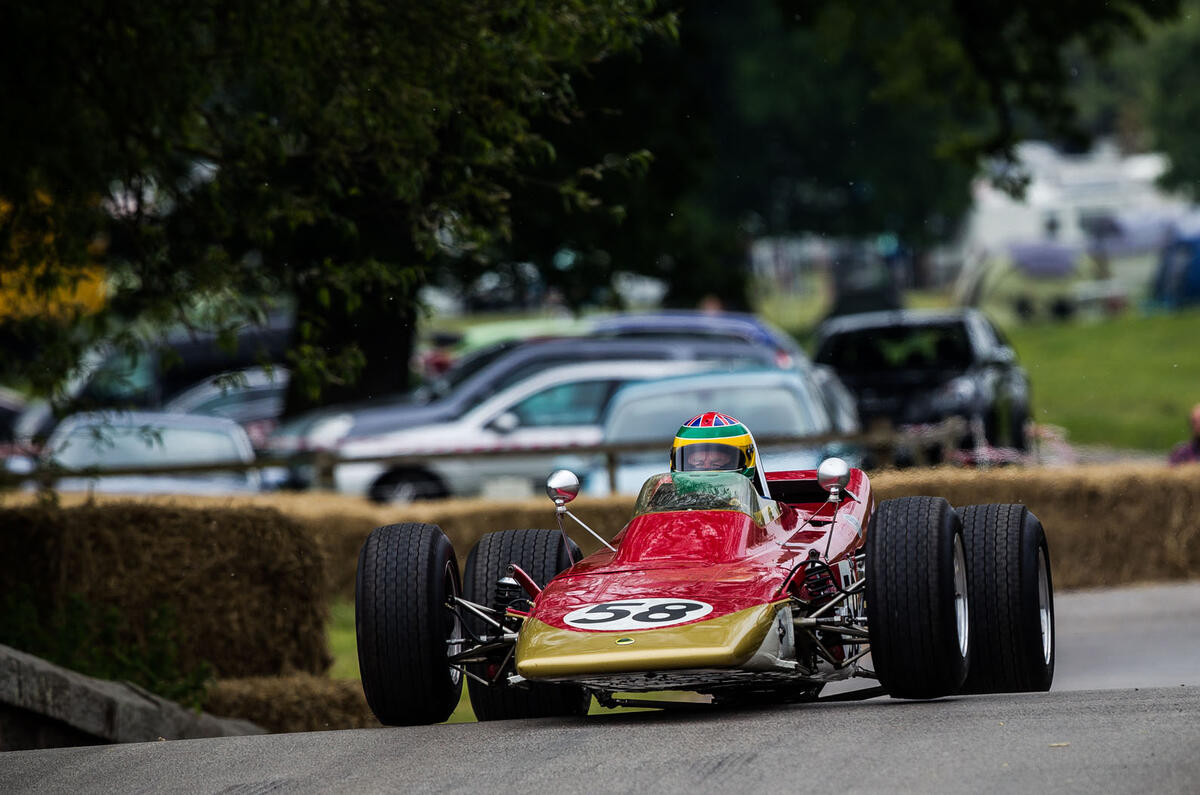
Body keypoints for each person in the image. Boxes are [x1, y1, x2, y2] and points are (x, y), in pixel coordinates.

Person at [669, 411, 770, 496]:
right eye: (698, 463)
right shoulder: (661, 510)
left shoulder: (763, 513)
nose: (706, 471)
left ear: (747, 461)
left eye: (716, 464)